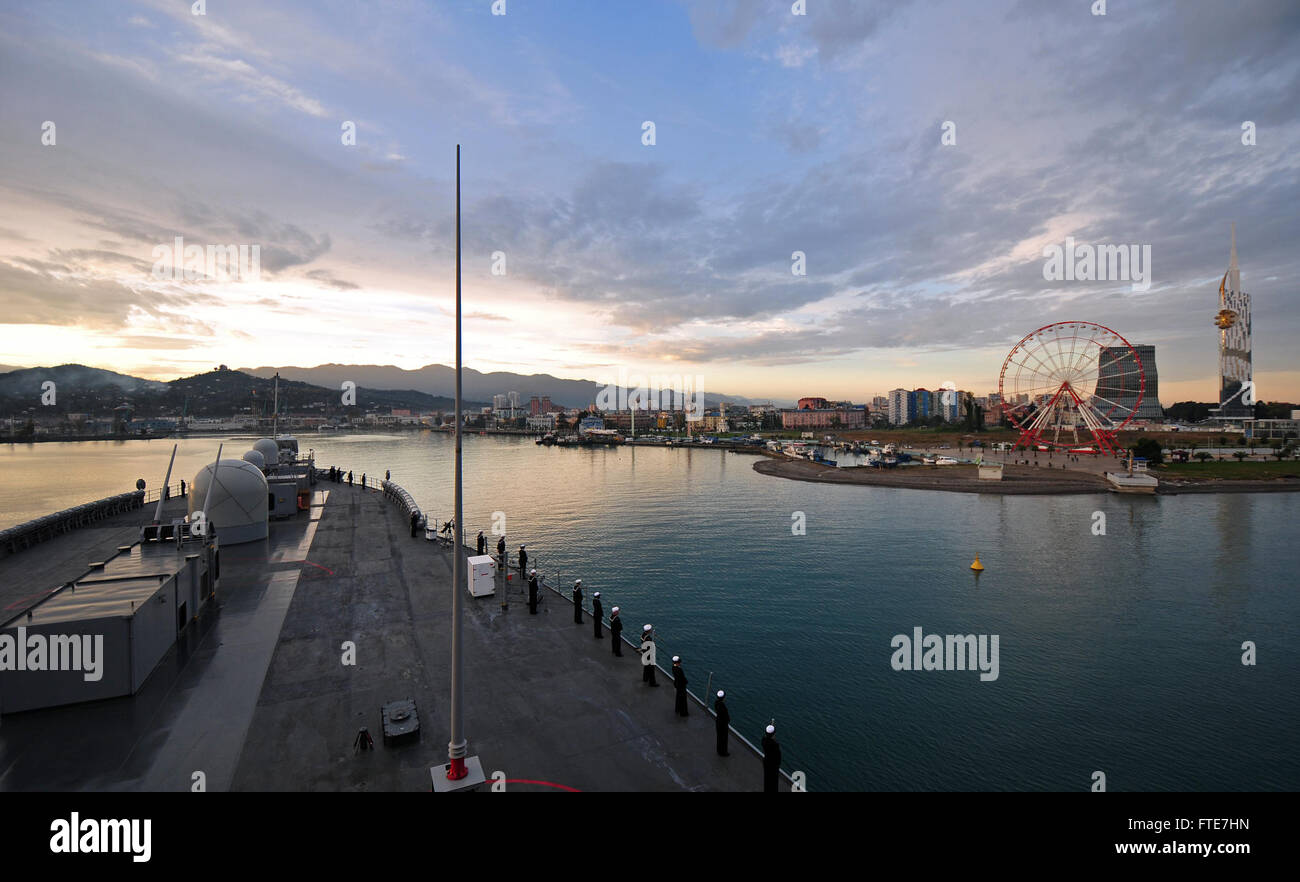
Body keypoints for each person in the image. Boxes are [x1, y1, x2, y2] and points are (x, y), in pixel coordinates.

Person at [762, 725, 781, 793]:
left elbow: (767, 738)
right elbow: (778, 756)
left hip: (766, 762)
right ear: (773, 734)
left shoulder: (763, 740)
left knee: (767, 779)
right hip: (773, 765)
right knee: (773, 781)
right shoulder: (775, 744)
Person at [715, 691, 730, 756]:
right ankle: (723, 752)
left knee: (719, 737)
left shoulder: (716, 703)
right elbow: (725, 716)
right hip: (723, 724)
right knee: (724, 738)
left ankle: (719, 750)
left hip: (718, 722)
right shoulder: (722, 706)